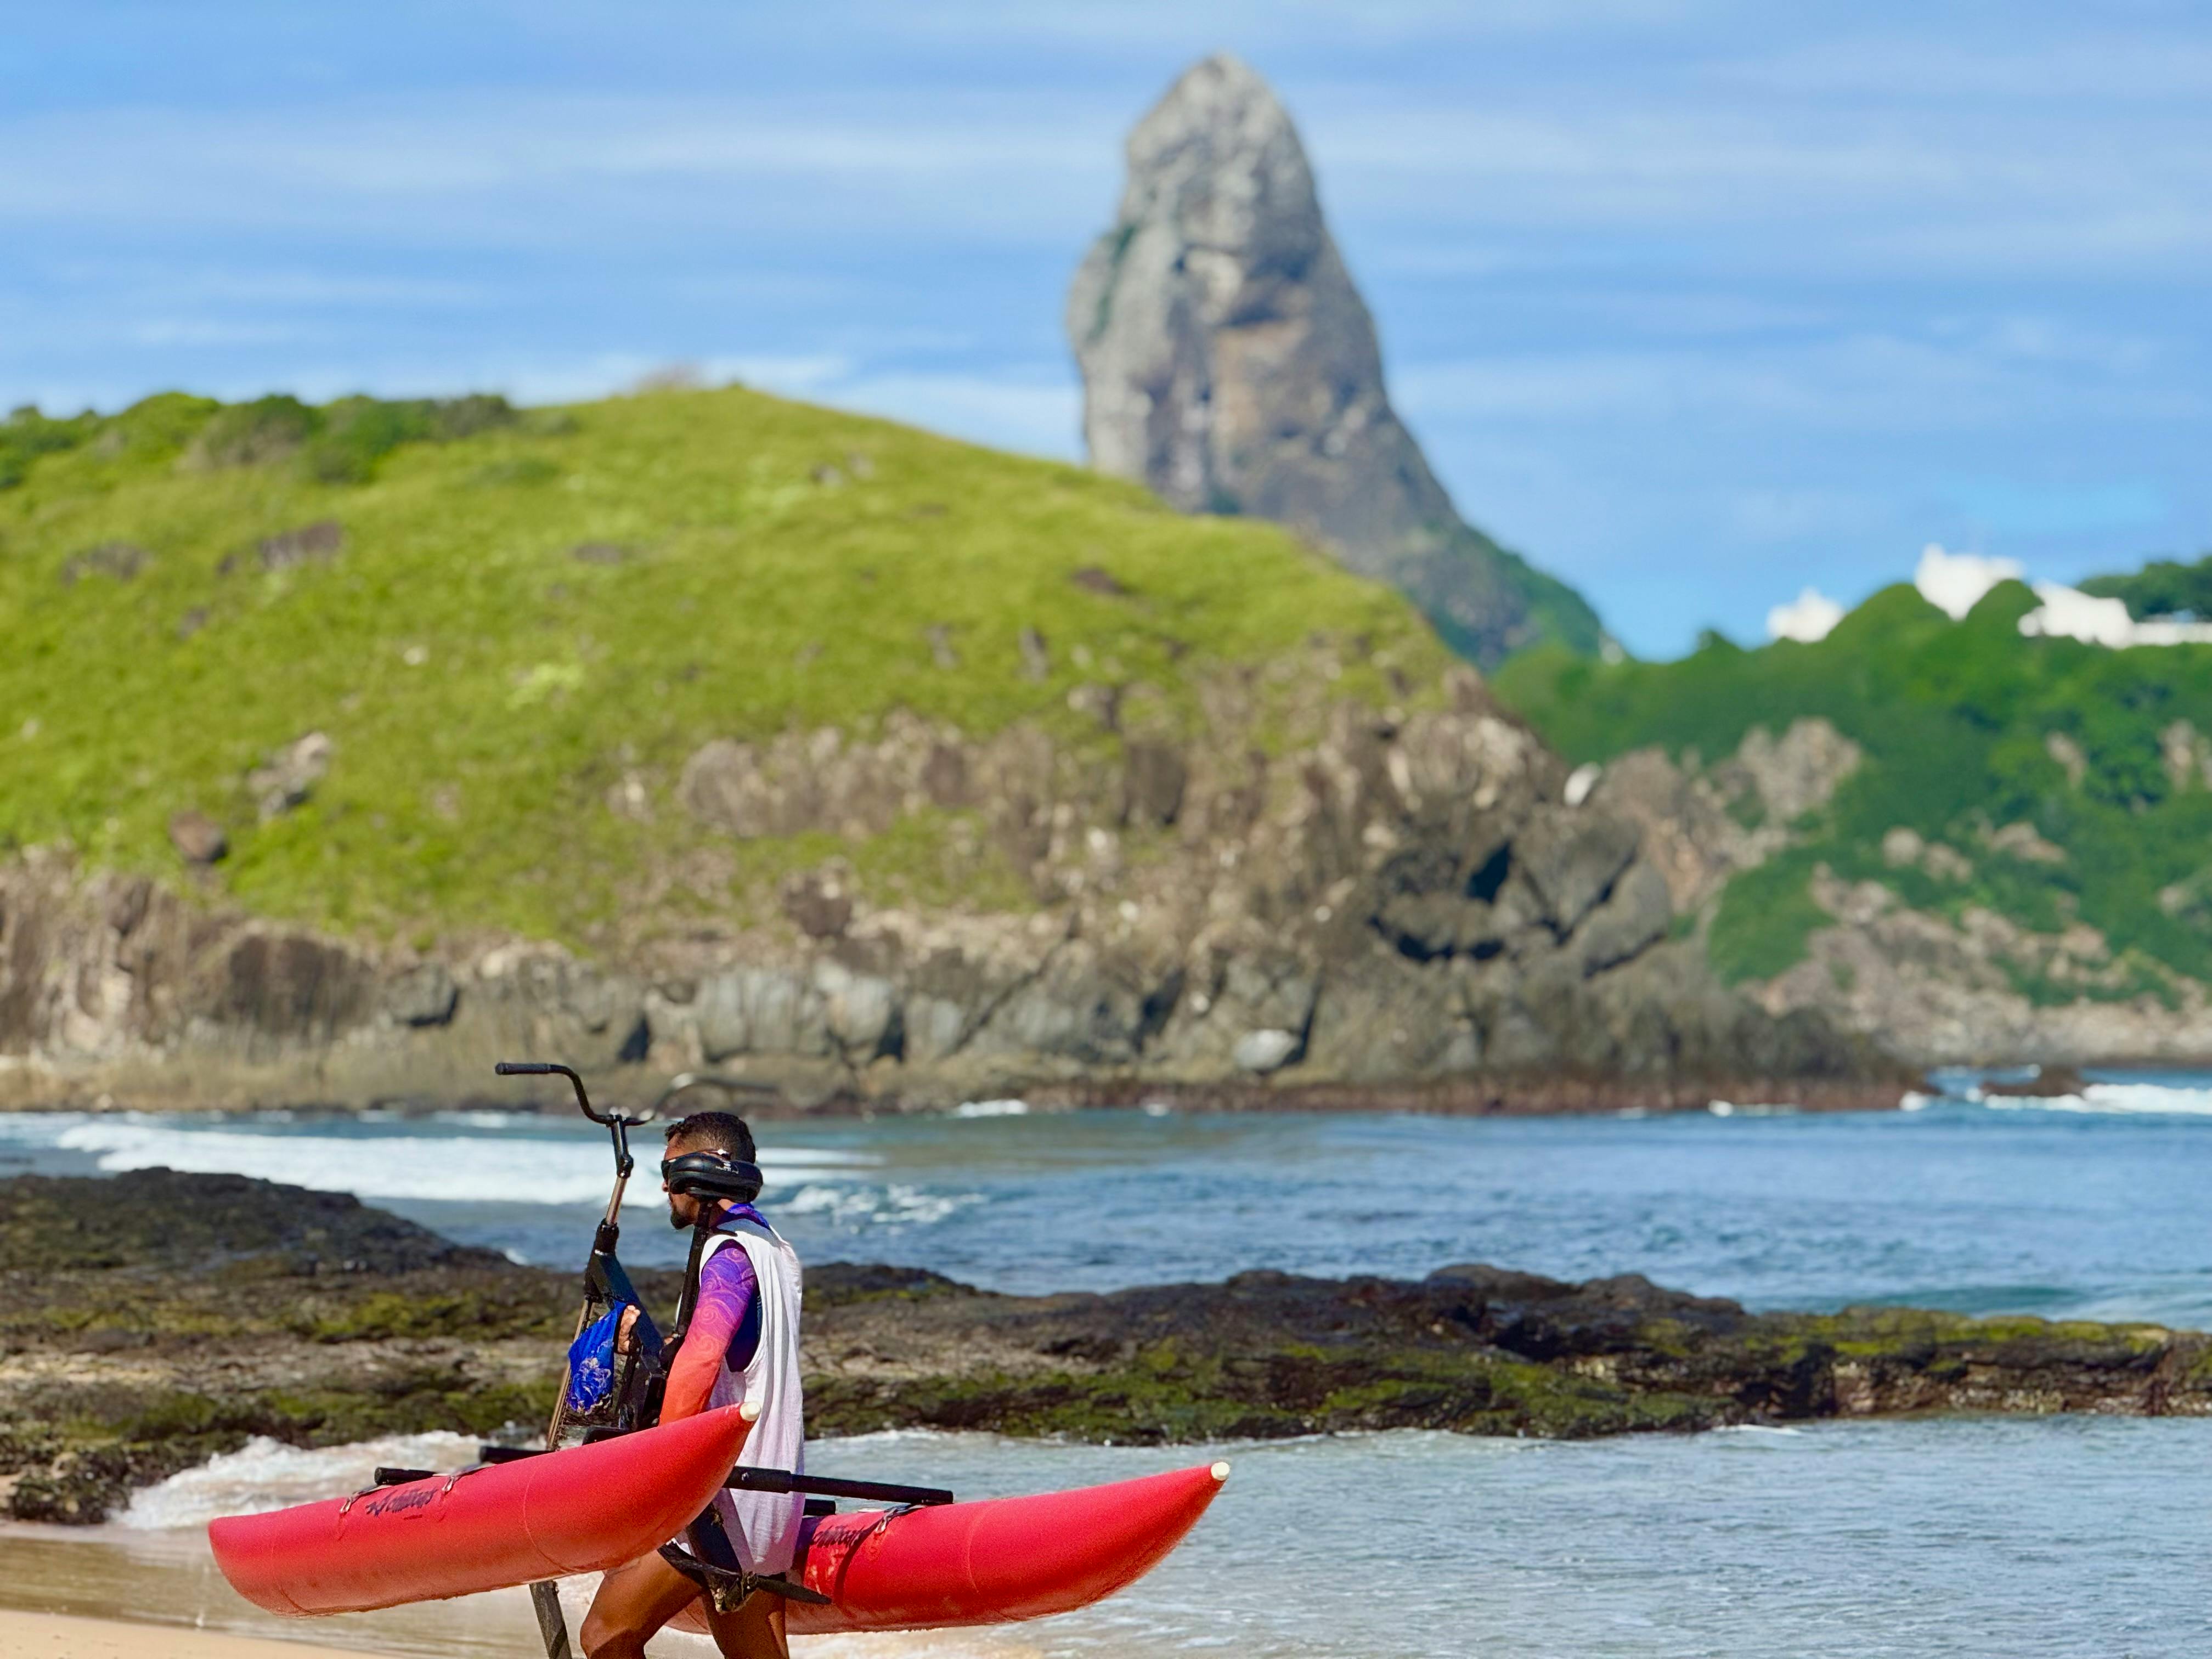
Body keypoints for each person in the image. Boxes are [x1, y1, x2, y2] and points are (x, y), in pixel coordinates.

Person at [579, 1109, 804, 1659]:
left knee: (607, 1636)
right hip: (775, 1493)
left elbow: (704, 1362)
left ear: (703, 1172)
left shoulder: (727, 1255)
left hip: (724, 1499)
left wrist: (664, 1470)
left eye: (672, 1170)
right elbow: (738, 1359)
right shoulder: (773, 1247)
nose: (664, 1185)